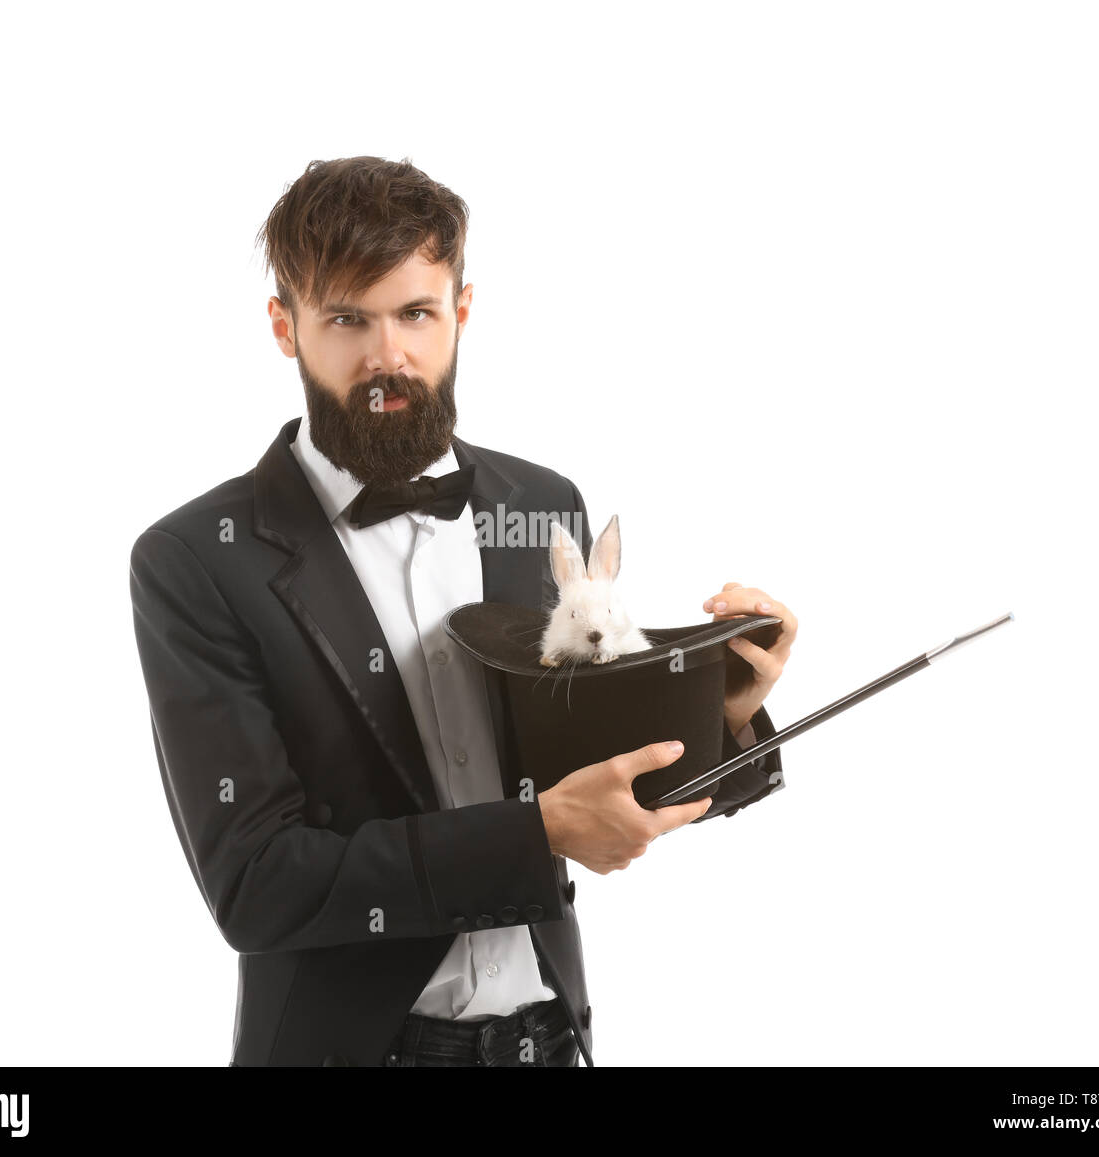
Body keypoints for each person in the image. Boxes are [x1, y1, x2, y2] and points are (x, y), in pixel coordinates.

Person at [128, 155, 798, 1067]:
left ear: (463, 311)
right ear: (285, 327)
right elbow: (257, 884)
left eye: (415, 313)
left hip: (552, 1041)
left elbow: (593, 769)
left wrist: (720, 709)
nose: (387, 356)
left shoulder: (542, 503)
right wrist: (537, 835)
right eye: (346, 320)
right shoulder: (196, 560)